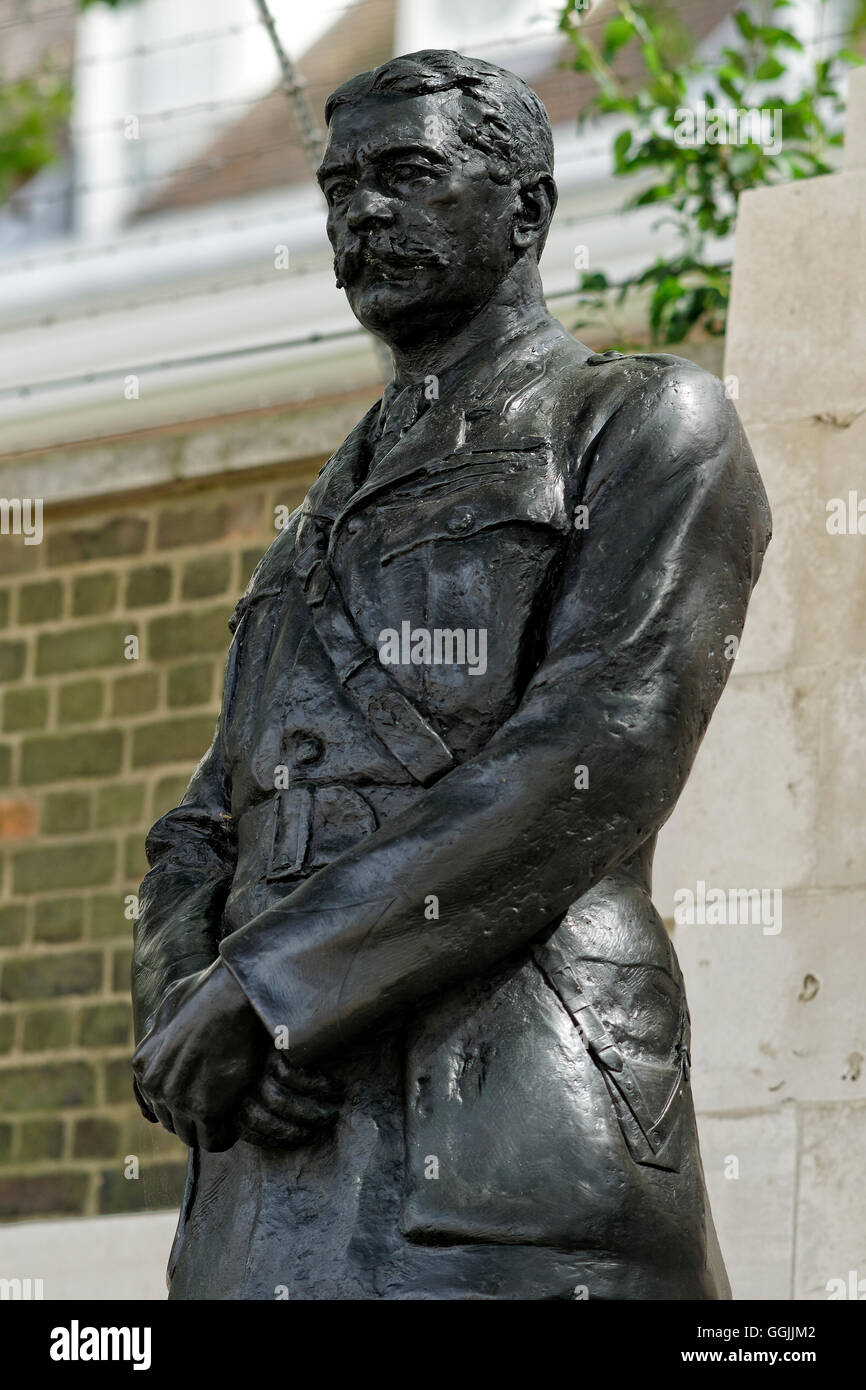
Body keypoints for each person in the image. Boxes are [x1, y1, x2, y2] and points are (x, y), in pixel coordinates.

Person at [132, 50, 771, 1300]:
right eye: (338, 188)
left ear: (525, 209)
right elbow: (202, 819)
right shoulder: (307, 524)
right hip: (271, 1177)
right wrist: (186, 1013)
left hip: (509, 1151)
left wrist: (267, 984)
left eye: (408, 174)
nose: (361, 212)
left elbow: (594, 752)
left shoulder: (641, 424)